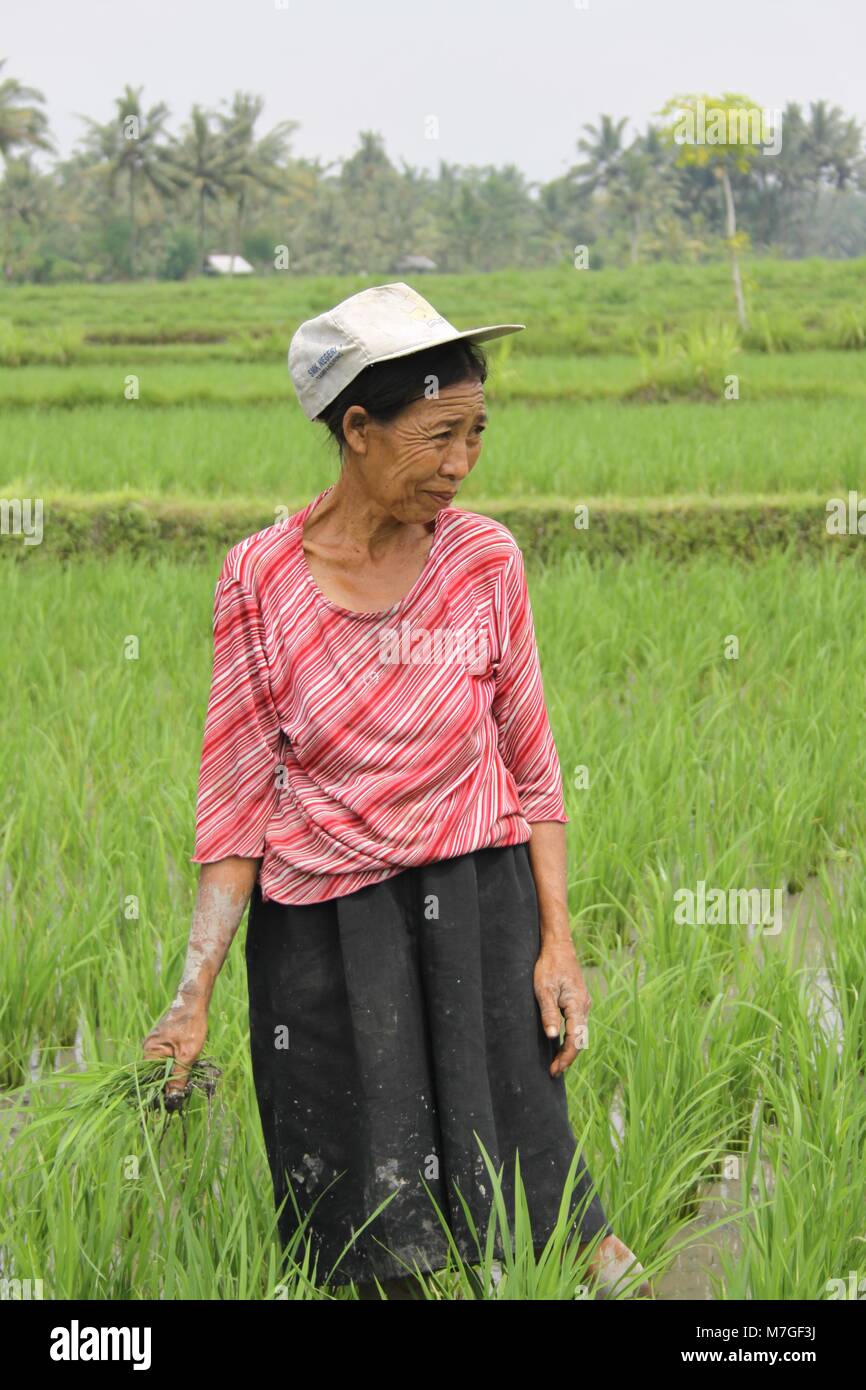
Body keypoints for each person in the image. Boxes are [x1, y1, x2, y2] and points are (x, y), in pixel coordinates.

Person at [143, 282, 651, 1300]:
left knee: (541, 1187)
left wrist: (556, 941)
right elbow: (236, 794)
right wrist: (191, 994)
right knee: (362, 1224)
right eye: (437, 436)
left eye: (475, 434)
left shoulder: (482, 560)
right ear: (359, 429)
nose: (460, 465)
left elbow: (532, 767)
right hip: (324, 935)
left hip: (477, 906)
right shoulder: (260, 578)